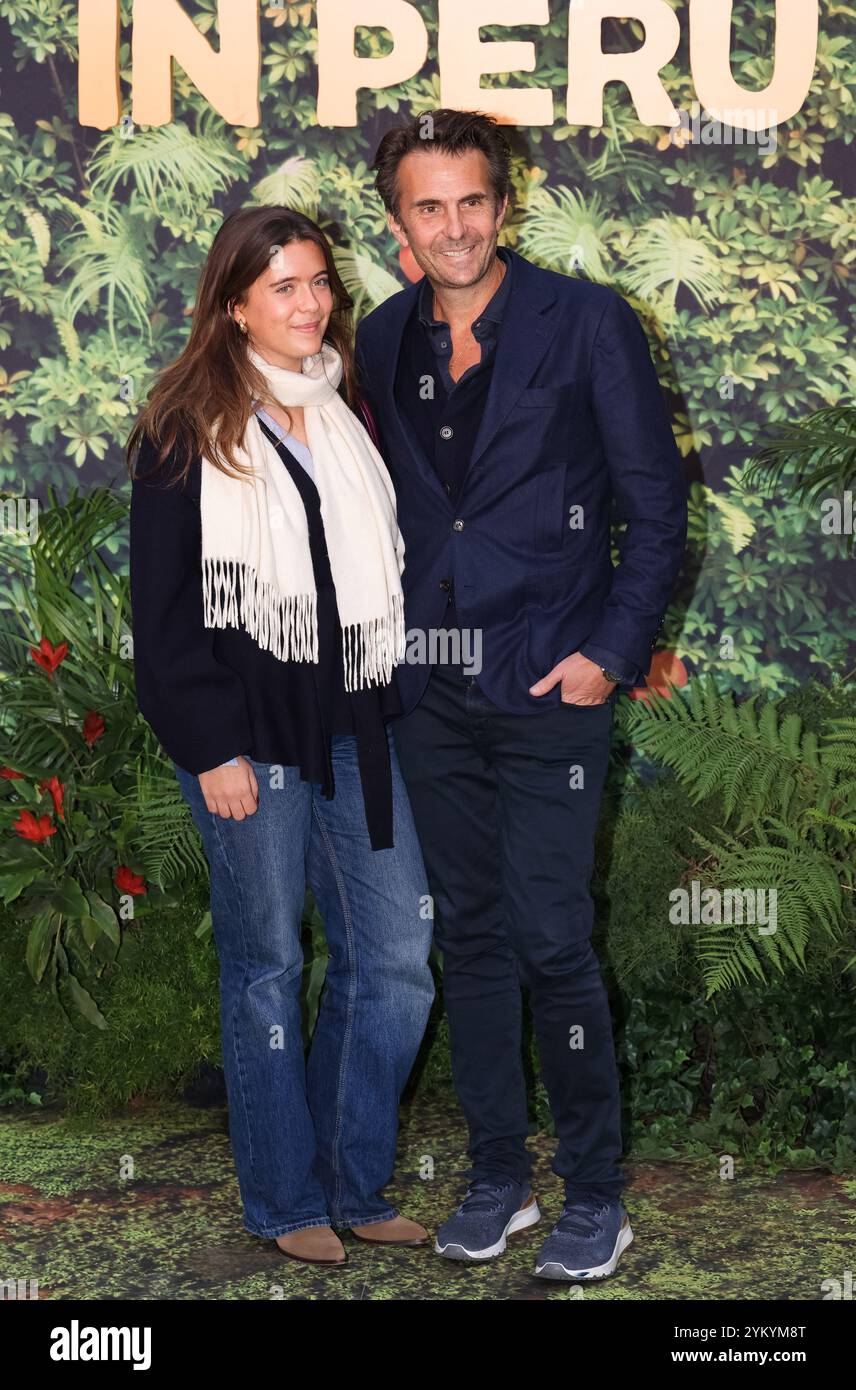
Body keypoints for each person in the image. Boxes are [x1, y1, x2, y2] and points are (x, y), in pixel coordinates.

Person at [356, 110, 688, 1280]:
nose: (454, 227)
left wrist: (608, 649)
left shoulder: (588, 322)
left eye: (471, 201)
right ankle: (499, 1175)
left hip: (552, 679)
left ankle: (595, 1191)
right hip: (429, 689)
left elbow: (656, 506)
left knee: (554, 939)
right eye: (427, 207)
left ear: (505, 204)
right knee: (476, 942)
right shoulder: (383, 336)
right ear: (396, 222)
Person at [126, 205, 435, 1267]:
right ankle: (284, 1198)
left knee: (395, 960)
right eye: (283, 288)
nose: (309, 305)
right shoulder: (186, 425)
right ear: (232, 306)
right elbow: (161, 617)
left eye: (317, 283)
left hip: (354, 717)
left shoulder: (339, 407)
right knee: (263, 968)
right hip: (247, 736)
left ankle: (354, 1182)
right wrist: (210, 748)